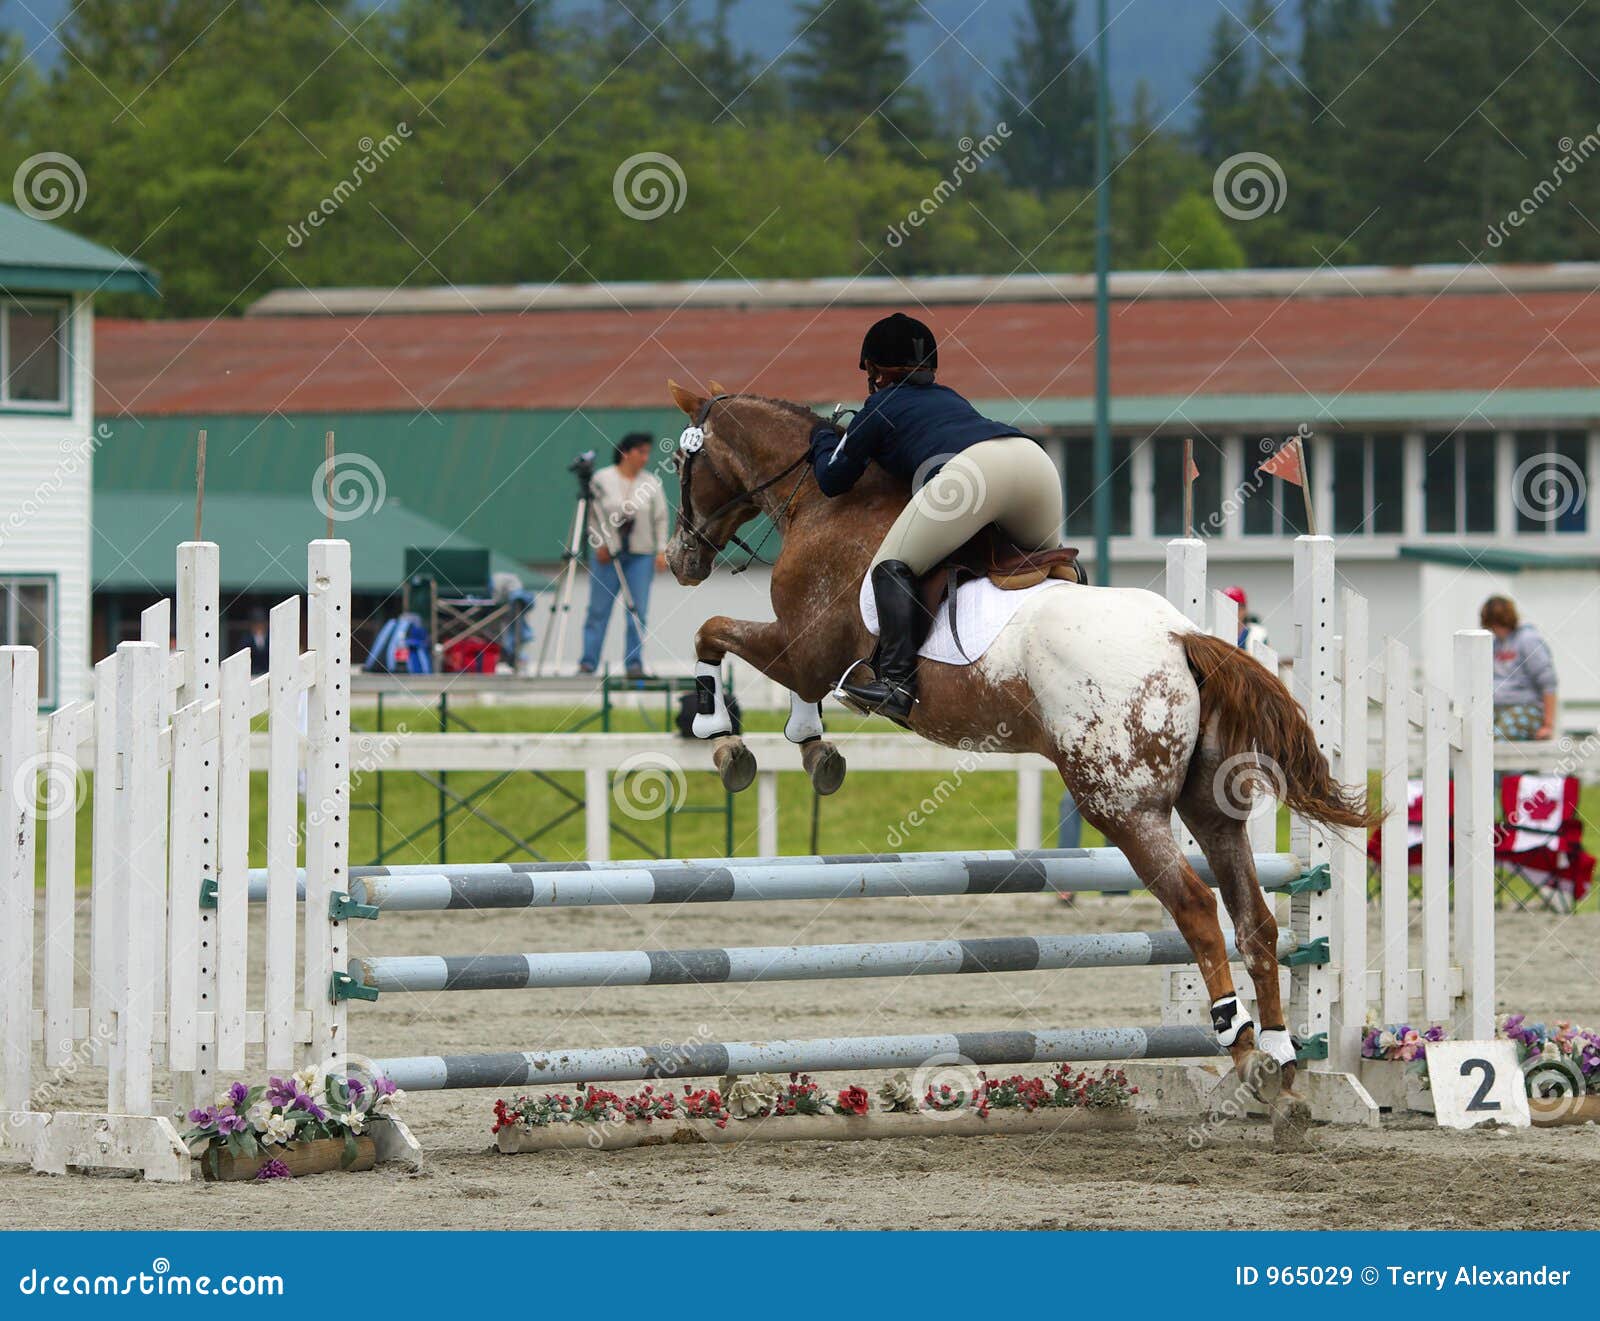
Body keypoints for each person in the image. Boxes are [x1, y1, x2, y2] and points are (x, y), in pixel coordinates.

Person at [806, 313, 1063, 722]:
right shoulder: (951, 398)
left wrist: (821, 436)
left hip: (977, 473)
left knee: (893, 567)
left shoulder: (879, 405)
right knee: (1048, 569)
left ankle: (895, 684)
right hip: (1035, 465)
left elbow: (832, 479)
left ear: (875, 370)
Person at [579, 433, 669, 679]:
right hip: (608, 554)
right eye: (641, 452)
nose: (645, 458)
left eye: (647, 453)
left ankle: (634, 663)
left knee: (637, 611)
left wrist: (661, 549)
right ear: (626, 452)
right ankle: (588, 662)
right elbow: (592, 515)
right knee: (598, 610)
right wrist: (599, 543)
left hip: (640, 555)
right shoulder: (602, 479)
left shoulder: (651, 482)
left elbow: (660, 518)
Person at [1481, 595, 1557, 740]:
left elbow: (1548, 682)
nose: (1495, 628)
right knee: (1476, 737)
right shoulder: (1496, 643)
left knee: (1496, 738)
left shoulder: (1528, 640)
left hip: (1527, 708)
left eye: (1498, 622)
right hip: (1497, 708)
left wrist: (1548, 725)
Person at [1223, 586, 1269, 651]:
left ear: (1245, 609)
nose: (1232, 612)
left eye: (1238, 607)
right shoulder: (1210, 633)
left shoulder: (1258, 634)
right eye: (1227, 607)